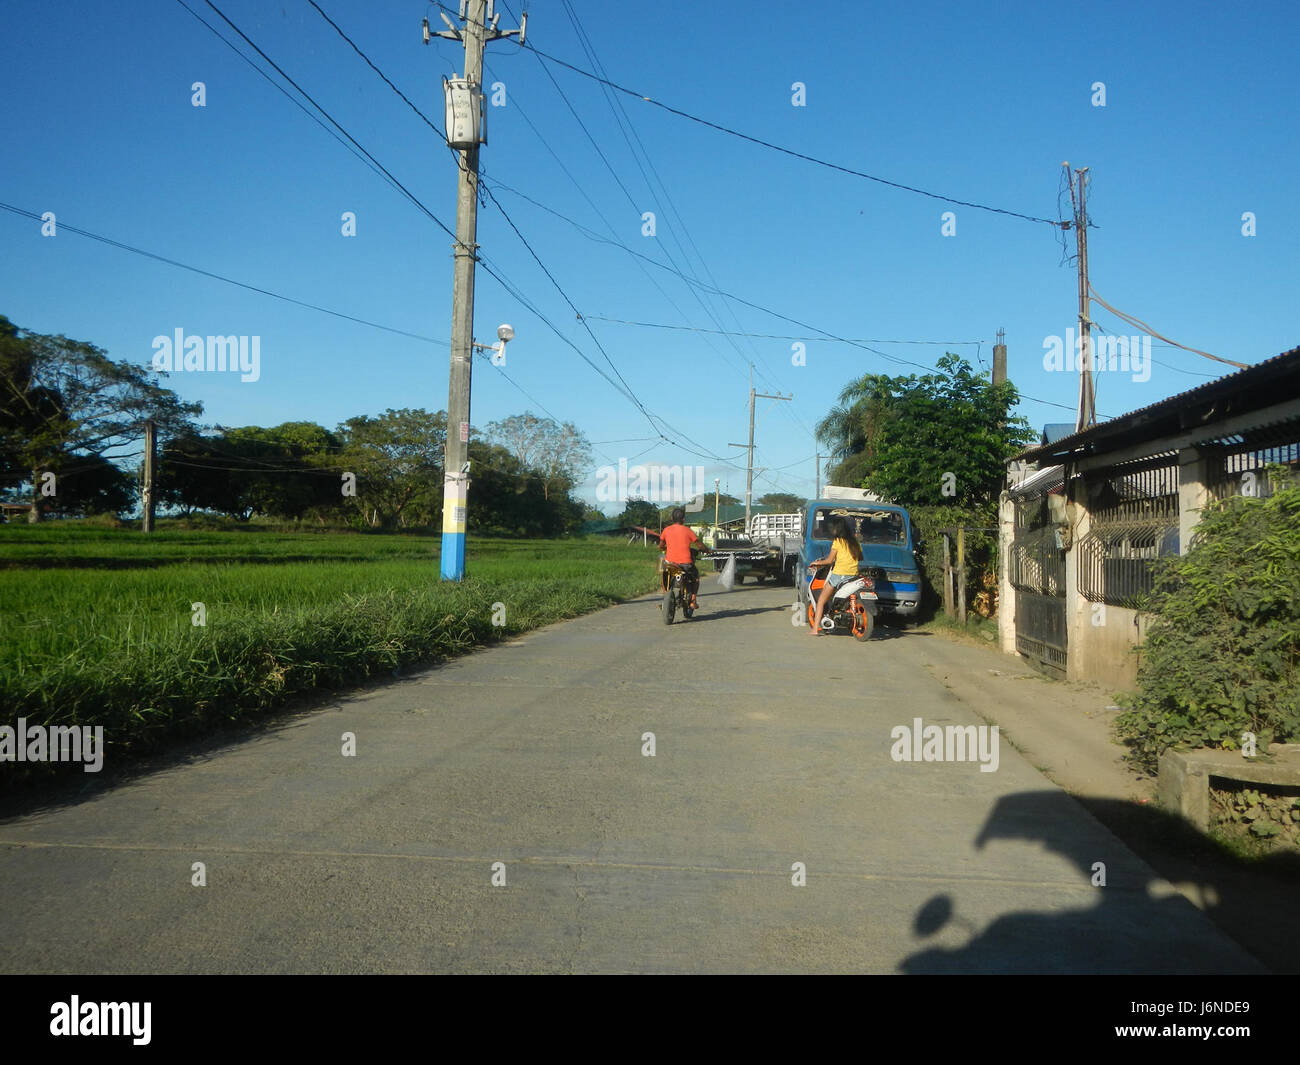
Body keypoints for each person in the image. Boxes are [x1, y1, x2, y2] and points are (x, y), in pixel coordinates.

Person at [807, 515, 863, 635]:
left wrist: (816, 563)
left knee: (821, 600)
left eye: (833, 528)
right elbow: (860, 558)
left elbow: (829, 561)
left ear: (837, 529)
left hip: (839, 575)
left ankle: (815, 629)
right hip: (853, 575)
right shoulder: (855, 542)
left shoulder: (838, 542)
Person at [658, 506, 703, 609]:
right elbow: (699, 545)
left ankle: (666, 597)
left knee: (665, 576)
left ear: (671, 519)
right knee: (695, 578)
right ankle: (692, 600)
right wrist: (707, 550)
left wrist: (666, 547)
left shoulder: (666, 530)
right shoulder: (688, 531)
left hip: (670, 564)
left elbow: (660, 546)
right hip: (686, 564)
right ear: (683, 519)